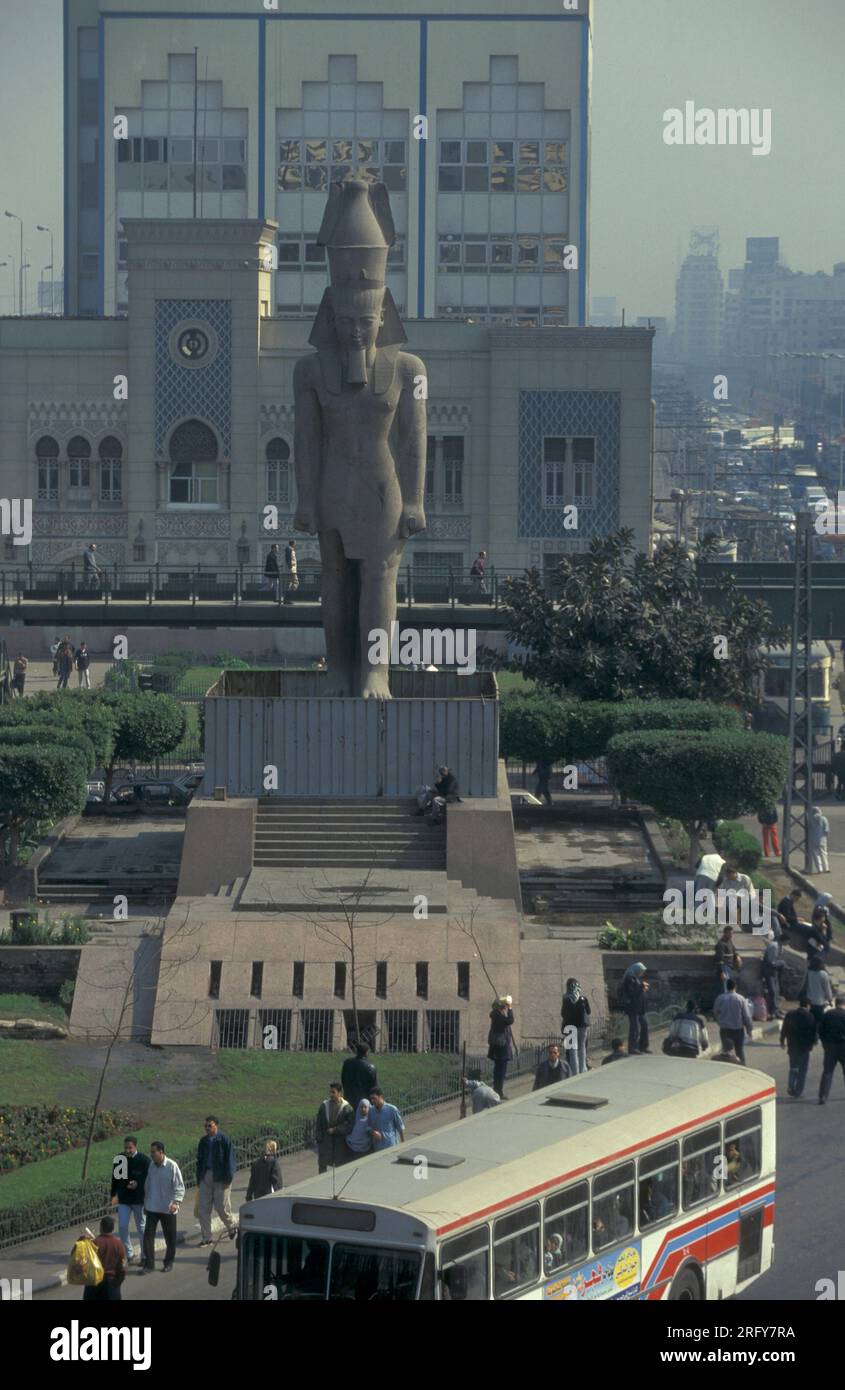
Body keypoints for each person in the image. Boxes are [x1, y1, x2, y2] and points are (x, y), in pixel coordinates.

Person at [141, 1141, 185, 1274]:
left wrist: (176, 1203)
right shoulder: (151, 1166)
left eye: (153, 1152)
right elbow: (148, 1185)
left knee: (170, 1238)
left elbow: (179, 1187)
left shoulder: (172, 1166)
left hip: (168, 1208)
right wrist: (146, 1204)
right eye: (151, 1152)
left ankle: (168, 1262)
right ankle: (149, 1265)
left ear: (161, 1152)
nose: (151, 1154)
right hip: (152, 1207)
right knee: (148, 1236)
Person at [196, 1115, 237, 1247]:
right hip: (206, 1176)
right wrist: (199, 1178)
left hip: (221, 1178)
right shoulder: (203, 1141)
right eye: (206, 1126)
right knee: (203, 1209)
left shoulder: (224, 1139)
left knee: (221, 1208)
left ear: (216, 1126)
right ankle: (207, 1237)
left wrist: (228, 1179)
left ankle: (231, 1226)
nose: (207, 1128)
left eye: (210, 1125)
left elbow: (230, 1160)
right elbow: (199, 1160)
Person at [109, 1134, 150, 1265]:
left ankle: (145, 1255)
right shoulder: (119, 1159)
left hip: (139, 1200)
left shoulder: (144, 1160)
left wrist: (137, 1184)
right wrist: (113, 1195)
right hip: (124, 1199)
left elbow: (149, 1179)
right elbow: (115, 1179)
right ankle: (129, 1253)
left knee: (141, 1228)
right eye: (125, 1148)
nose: (127, 1150)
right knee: (122, 1226)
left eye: (130, 1148)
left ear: (135, 1147)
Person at [82, 1216, 127, 1301]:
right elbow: (123, 1266)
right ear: (113, 1229)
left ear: (101, 1228)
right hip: (111, 1283)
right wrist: (118, 1282)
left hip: (94, 1283)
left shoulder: (94, 1243)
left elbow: (85, 1263)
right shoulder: (118, 1244)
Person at [780, 998, 818, 1098]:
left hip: (792, 1046)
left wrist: (782, 1041)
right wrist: (813, 1043)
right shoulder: (810, 1016)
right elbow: (813, 1032)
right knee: (802, 1070)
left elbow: (784, 1028)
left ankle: (791, 1086)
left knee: (793, 1067)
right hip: (804, 1048)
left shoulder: (790, 1014)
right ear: (808, 1005)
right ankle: (798, 1090)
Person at [315, 1082, 354, 1173]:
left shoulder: (347, 1108)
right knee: (322, 1165)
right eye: (330, 1092)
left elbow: (349, 1125)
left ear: (340, 1093)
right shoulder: (324, 1106)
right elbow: (319, 1123)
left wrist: (336, 1130)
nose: (331, 1094)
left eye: (333, 1092)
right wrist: (319, 1139)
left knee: (340, 1167)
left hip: (339, 1143)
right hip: (325, 1142)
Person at [712, 979, 753, 1065]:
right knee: (739, 1050)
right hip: (738, 1030)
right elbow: (747, 1016)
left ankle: (726, 1067)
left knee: (726, 1051)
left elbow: (715, 1012)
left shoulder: (720, 998)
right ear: (735, 987)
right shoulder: (740, 999)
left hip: (725, 1029)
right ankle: (742, 1067)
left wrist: (719, 1022)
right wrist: (749, 1029)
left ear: (726, 987)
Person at [817, 995, 845, 1105]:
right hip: (843, 1047)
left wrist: (825, 1044)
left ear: (836, 1003)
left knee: (827, 1072)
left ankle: (823, 1096)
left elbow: (820, 1030)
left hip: (830, 1048)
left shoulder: (827, 1014)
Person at [560, 978, 591, 1074]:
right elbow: (589, 1011)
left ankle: (575, 1071)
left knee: (572, 1049)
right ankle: (583, 1068)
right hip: (582, 1026)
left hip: (570, 1027)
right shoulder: (583, 999)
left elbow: (563, 1013)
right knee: (582, 1048)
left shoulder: (566, 999)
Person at [619, 962, 650, 1055]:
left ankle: (643, 1046)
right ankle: (633, 1048)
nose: (642, 973)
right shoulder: (629, 978)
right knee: (635, 1028)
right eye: (641, 971)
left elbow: (638, 991)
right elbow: (632, 993)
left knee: (644, 1026)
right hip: (633, 1008)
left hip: (640, 1008)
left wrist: (642, 988)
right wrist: (641, 986)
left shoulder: (635, 978)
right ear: (637, 970)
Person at [487, 995, 515, 1098]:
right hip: (501, 1047)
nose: (505, 1008)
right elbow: (510, 1020)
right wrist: (510, 1008)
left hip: (500, 1047)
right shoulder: (498, 1015)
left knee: (499, 1070)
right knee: (501, 1071)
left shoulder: (497, 1014)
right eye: (504, 1006)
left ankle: (497, 1090)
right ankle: (498, 1091)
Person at [340, 1042, 378, 1112]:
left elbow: (343, 1080)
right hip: (364, 1103)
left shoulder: (347, 1063)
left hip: (348, 1099)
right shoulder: (370, 1067)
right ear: (366, 1052)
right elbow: (374, 1087)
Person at [761, 931, 785, 1020]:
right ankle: (774, 1011)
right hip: (769, 972)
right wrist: (782, 963)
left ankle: (777, 1009)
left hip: (774, 972)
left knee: (777, 991)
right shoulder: (774, 946)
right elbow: (771, 962)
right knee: (773, 992)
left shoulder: (780, 946)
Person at [805, 954, 834, 1028]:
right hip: (819, 1002)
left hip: (810, 1000)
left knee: (810, 1020)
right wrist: (830, 1000)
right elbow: (827, 989)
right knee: (818, 1021)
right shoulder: (823, 974)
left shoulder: (809, 972)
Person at [714, 926, 742, 994]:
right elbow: (719, 960)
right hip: (724, 968)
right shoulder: (721, 944)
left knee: (730, 988)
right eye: (729, 933)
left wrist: (737, 956)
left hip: (730, 968)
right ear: (725, 933)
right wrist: (722, 972)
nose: (731, 935)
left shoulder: (729, 941)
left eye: (732, 933)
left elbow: (734, 950)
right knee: (725, 989)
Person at [810, 806, 830, 874]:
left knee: (816, 855)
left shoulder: (810, 819)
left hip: (813, 839)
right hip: (822, 839)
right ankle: (826, 868)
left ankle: (819, 869)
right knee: (824, 853)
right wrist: (826, 836)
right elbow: (826, 830)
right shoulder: (824, 818)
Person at [284, 539, 299, 604]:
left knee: (289, 584)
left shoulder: (290, 549)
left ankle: (286, 599)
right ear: (293, 543)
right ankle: (288, 599)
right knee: (295, 583)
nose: (295, 544)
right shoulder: (289, 550)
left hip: (292, 569)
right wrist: (290, 568)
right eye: (295, 543)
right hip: (291, 570)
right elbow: (288, 559)